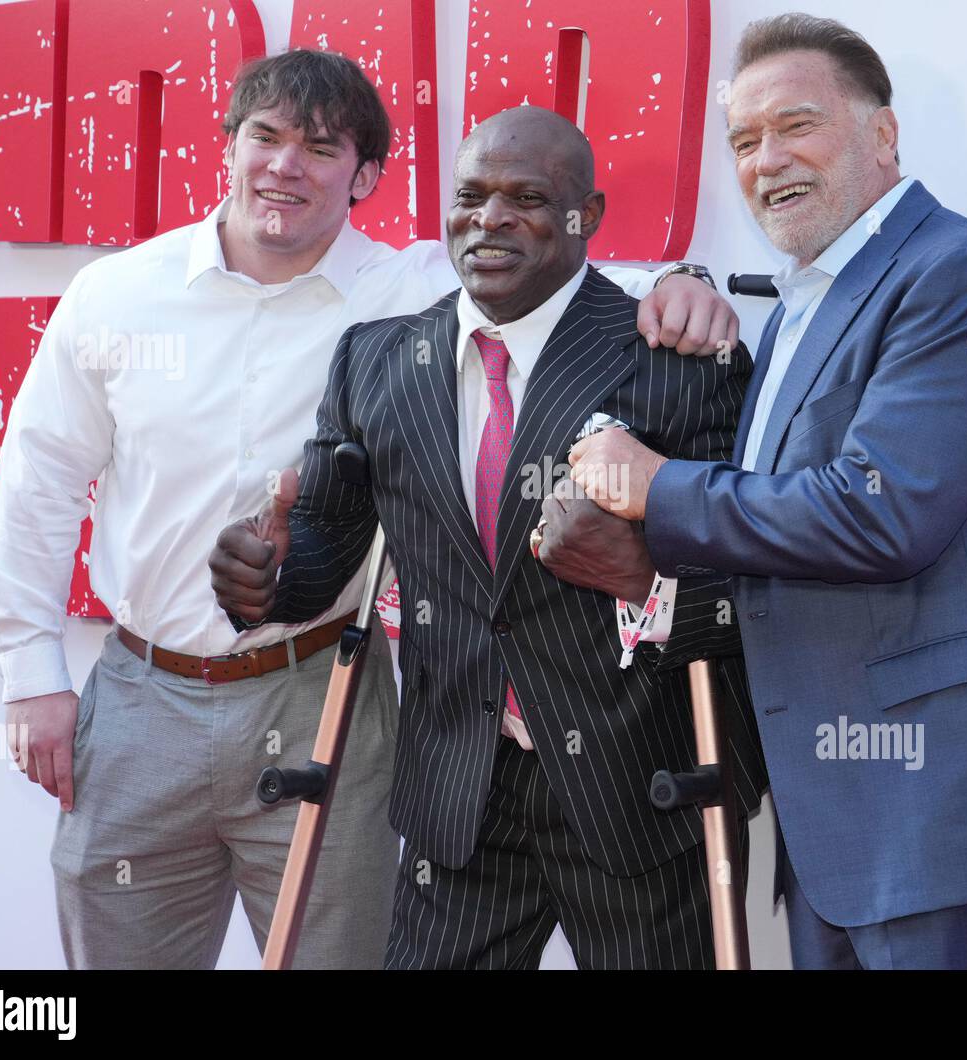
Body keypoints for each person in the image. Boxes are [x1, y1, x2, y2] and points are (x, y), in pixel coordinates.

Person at [0, 48, 737, 970]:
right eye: (264, 136)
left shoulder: (412, 291)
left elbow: (567, 274)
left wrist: (689, 276)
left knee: (339, 953)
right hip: (142, 697)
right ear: (228, 148)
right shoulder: (115, 294)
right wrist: (31, 674)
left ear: (367, 175)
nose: (284, 166)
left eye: (320, 147)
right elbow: (38, 483)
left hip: (324, 697)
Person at [568, 13, 967, 970]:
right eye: (743, 141)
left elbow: (878, 514)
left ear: (883, 135)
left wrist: (657, 490)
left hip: (954, 819)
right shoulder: (807, 301)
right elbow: (782, 534)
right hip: (836, 831)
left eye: (797, 126)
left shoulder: (959, 275)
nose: (766, 160)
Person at [210, 106, 768, 969]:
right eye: (470, 195)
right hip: (459, 795)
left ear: (588, 213)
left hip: (638, 790)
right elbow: (324, 538)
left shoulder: (676, 357)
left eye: (528, 197)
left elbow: (760, 581)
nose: (490, 218)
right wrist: (270, 581)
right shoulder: (376, 360)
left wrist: (644, 580)